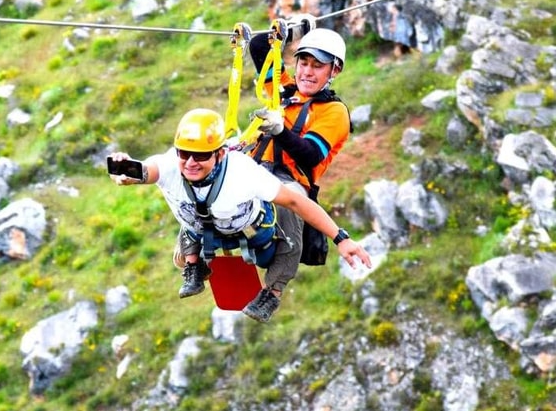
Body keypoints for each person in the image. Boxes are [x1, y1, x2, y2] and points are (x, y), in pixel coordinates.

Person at [108, 108, 370, 322]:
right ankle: (193, 266)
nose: (190, 163)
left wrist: (341, 238)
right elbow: (146, 171)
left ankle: (273, 292)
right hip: (200, 230)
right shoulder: (170, 166)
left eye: (200, 155)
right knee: (188, 218)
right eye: (184, 154)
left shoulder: (242, 172)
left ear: (220, 154)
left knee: (290, 231)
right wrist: (126, 172)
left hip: (251, 230)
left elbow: (295, 202)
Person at [244, 18, 353, 296]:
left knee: (290, 202)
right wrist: (294, 31)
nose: (307, 72)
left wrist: (280, 131)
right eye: (303, 63)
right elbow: (260, 45)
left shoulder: (334, 111)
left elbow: (311, 155)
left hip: (290, 178)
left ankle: (274, 290)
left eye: (317, 66)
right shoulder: (285, 91)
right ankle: (193, 257)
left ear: (334, 70)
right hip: (256, 167)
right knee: (204, 171)